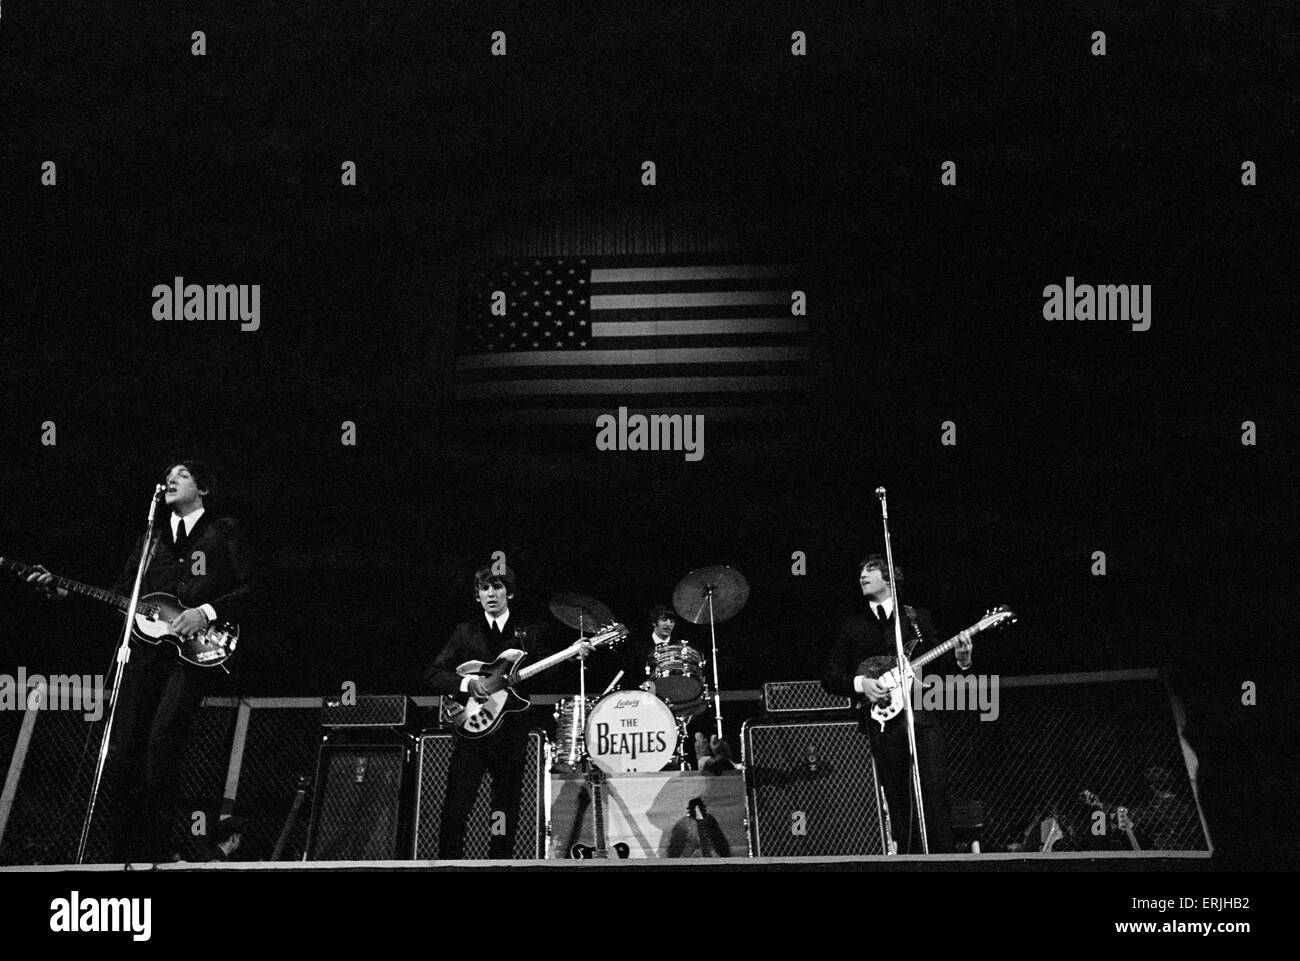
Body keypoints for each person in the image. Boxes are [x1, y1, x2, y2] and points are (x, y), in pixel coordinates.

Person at [28, 460, 257, 862]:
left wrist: (204, 612)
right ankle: (120, 852)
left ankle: (159, 850)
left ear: (203, 488)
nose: (170, 479)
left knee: (163, 742)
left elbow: (254, 588)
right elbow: (121, 596)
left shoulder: (223, 532)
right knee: (123, 749)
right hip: (144, 654)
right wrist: (63, 591)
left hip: (192, 653)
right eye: (168, 474)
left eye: (182, 475)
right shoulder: (150, 537)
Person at [423, 564, 590, 860]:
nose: (491, 593)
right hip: (472, 730)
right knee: (456, 804)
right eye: (485, 588)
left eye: (497, 587)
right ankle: (448, 864)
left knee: (505, 807)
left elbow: (545, 674)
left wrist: (569, 655)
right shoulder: (465, 632)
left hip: (512, 731)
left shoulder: (529, 632)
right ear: (477, 595)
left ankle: (499, 863)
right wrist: (467, 683)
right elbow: (434, 673)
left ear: (509, 593)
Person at [821, 554, 971, 854]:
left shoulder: (916, 619)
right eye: (860, 570)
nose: (862, 575)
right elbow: (830, 676)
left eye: (870, 570)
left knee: (934, 788)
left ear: (889, 578)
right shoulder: (853, 627)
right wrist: (862, 684)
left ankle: (944, 858)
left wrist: (962, 660)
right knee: (897, 794)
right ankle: (908, 858)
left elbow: (938, 668)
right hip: (883, 723)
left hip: (922, 715)